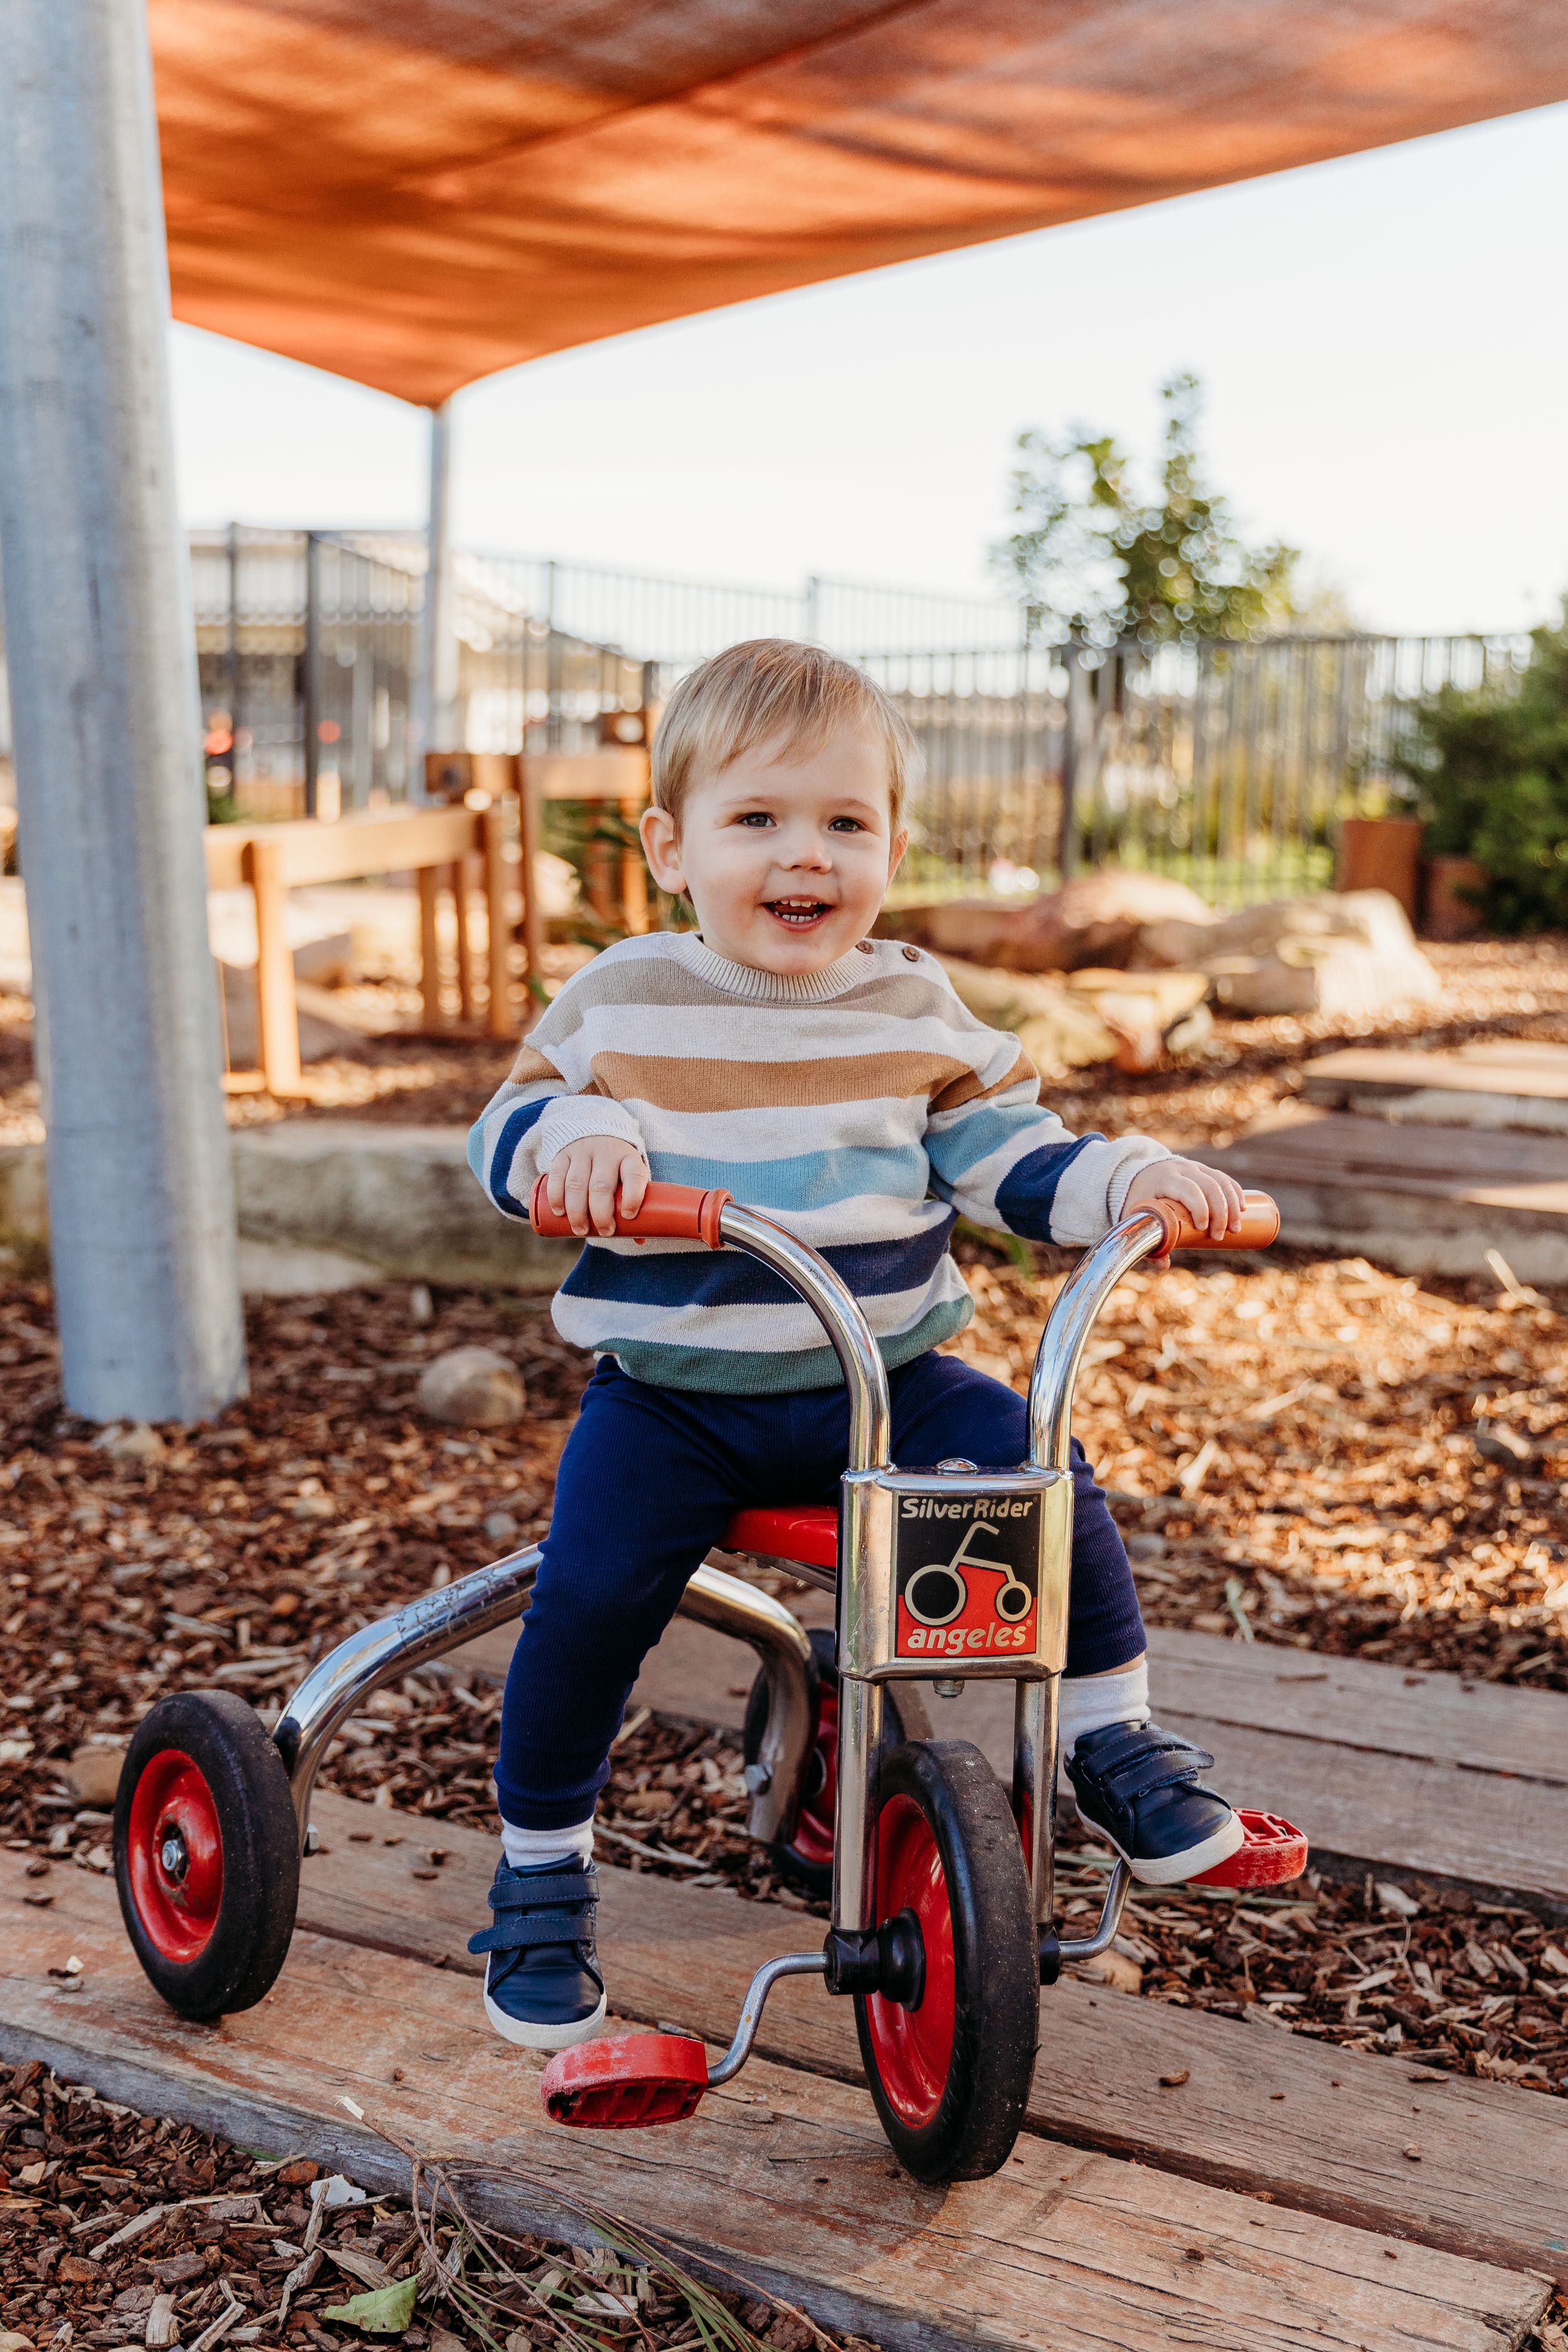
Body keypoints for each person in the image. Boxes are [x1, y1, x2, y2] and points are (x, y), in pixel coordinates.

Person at [466, 638, 1248, 2051]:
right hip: (674, 1398)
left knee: (1038, 1472)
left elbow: (1009, 1159)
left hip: (880, 1382)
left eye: (843, 822)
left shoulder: (912, 1011)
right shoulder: (624, 1001)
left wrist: (1125, 1178)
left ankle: (1107, 1737)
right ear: (671, 845)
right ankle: (537, 1873)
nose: (801, 856)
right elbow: (509, 1130)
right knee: (586, 1598)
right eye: (755, 820)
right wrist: (574, 1139)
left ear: (890, 844)